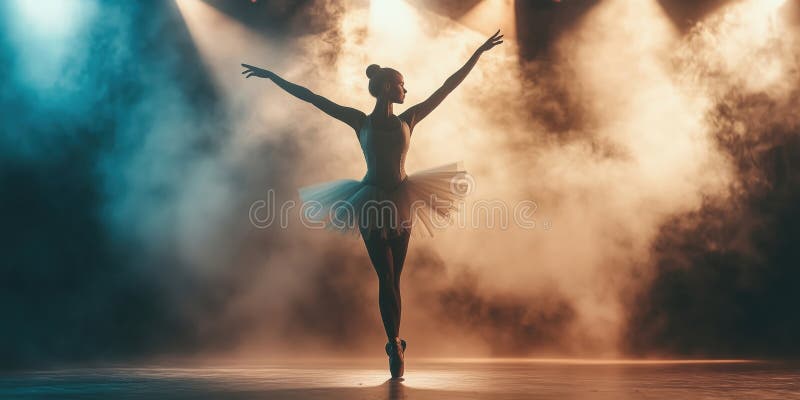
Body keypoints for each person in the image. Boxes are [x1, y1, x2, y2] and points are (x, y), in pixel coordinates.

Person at [241, 29, 503, 378]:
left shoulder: (408, 118)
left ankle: (394, 343)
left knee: (392, 279)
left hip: (401, 199)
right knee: (387, 276)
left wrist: (477, 53)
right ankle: (394, 342)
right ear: (387, 87)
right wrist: (273, 77)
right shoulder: (359, 120)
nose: (406, 90)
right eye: (401, 84)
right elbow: (312, 97)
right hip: (371, 202)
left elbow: (447, 87)